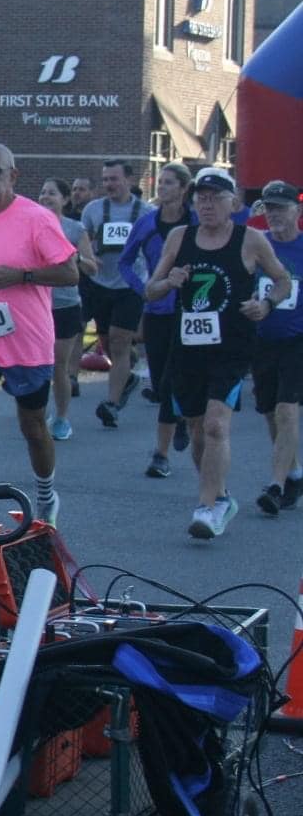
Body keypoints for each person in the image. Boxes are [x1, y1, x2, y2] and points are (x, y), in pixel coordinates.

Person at [145, 169, 291, 539]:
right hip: (189, 350)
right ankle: (221, 497)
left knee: (215, 425)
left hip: (232, 349)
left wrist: (267, 304)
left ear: (233, 203)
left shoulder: (250, 239)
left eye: (214, 198)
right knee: (197, 432)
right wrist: (169, 282)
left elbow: (282, 279)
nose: (206, 205)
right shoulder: (181, 237)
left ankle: (207, 507)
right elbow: (151, 290)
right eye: (201, 198)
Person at [0, 144, 79, 527]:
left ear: (13, 176)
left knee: (33, 427)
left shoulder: (36, 219)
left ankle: (45, 495)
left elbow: (70, 273)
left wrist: (21, 277)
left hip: (28, 339)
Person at [118, 163, 195, 478]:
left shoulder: (196, 222)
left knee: (176, 379)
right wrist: (142, 290)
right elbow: (125, 261)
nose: (161, 187)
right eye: (159, 182)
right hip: (158, 310)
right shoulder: (147, 222)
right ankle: (179, 416)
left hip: (192, 312)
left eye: (169, 182)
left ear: (183, 188)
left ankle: (160, 455)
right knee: (163, 383)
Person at [83, 160, 152, 428]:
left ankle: (112, 404)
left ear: (129, 180)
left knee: (120, 340)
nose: (109, 184)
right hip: (101, 284)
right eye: (105, 179)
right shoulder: (93, 209)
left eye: (114, 179)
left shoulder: (146, 212)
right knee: (107, 342)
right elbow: (84, 238)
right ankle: (129, 376)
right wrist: (88, 256)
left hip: (130, 286)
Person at [250, 180, 303, 515]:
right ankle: (294, 472)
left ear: (296, 210)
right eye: (269, 208)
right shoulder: (258, 246)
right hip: (262, 340)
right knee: (270, 410)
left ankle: (275, 484)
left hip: (297, 340)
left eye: (281, 208)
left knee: (287, 410)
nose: (274, 215)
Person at [37, 177, 96, 440]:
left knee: (58, 364)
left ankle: (61, 417)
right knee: (33, 363)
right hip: (34, 305)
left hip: (65, 304)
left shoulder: (74, 228)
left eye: (52, 193)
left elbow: (92, 267)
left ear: (64, 200)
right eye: (42, 193)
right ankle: (34, 412)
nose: (46, 197)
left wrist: (76, 255)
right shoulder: (30, 225)